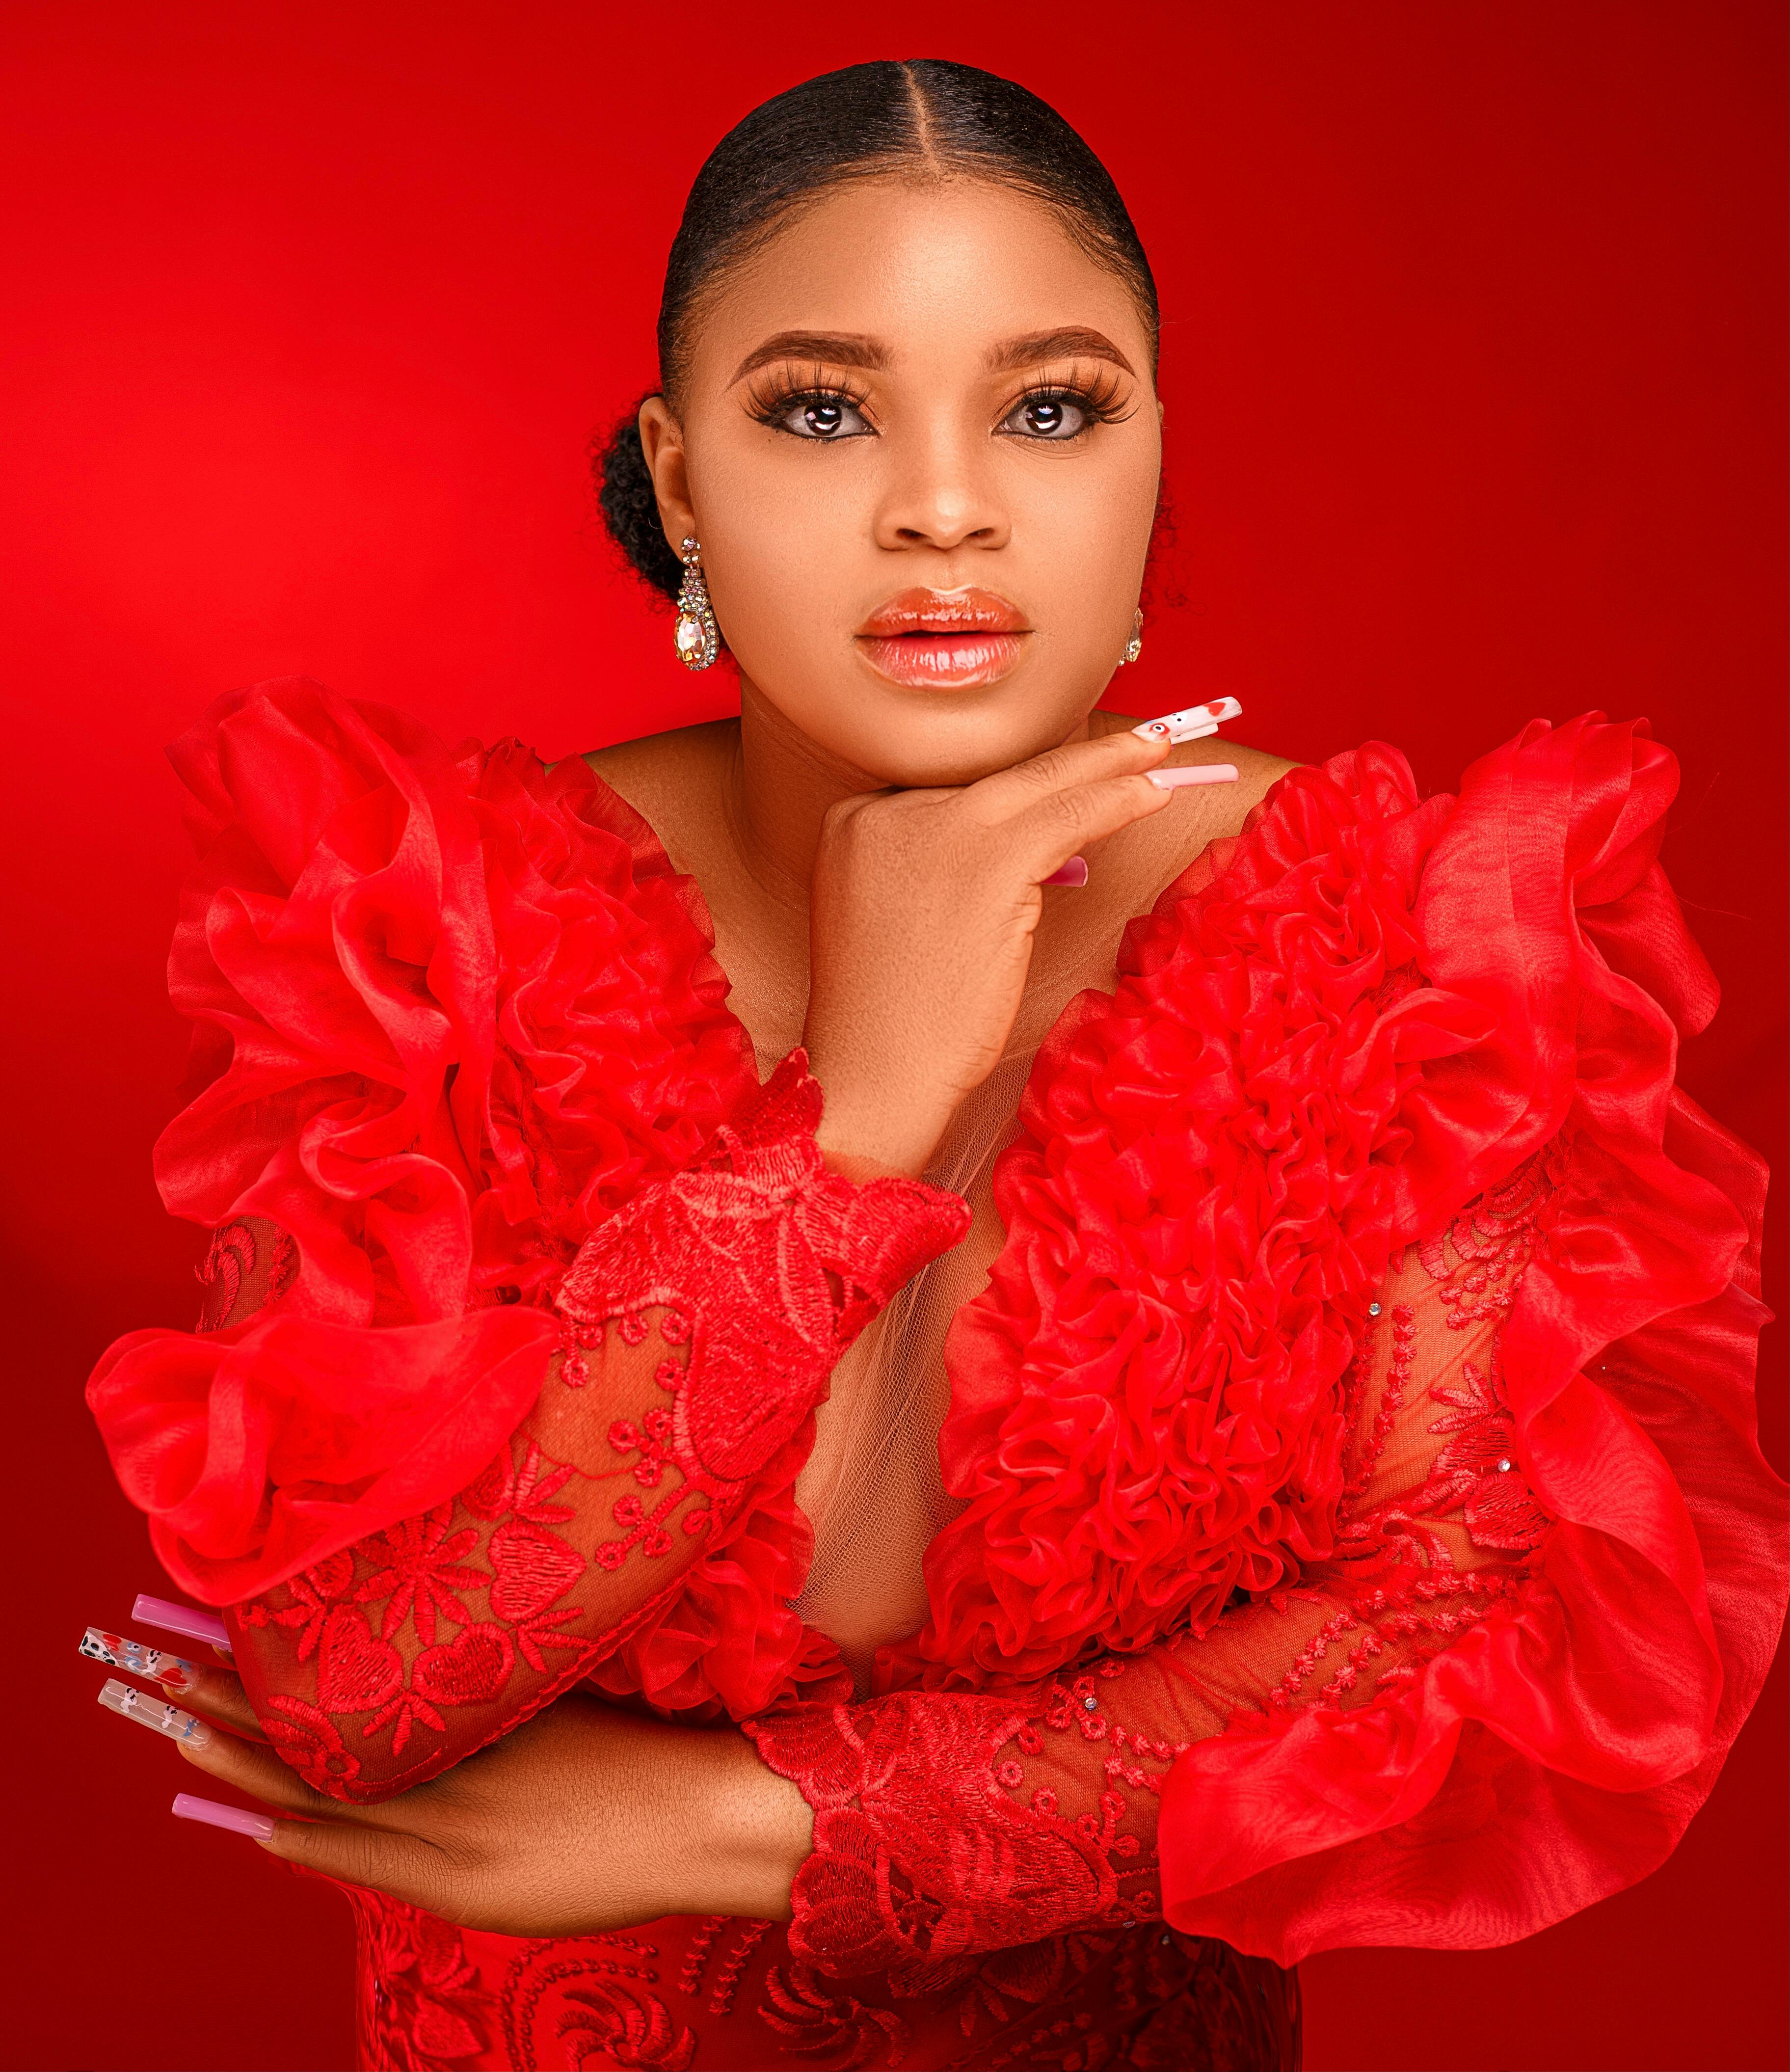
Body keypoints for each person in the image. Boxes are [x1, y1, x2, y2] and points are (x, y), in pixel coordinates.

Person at [82, 58, 1785, 2072]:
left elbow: (1472, 1639)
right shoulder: (421, 922)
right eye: (822, 409)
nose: (947, 503)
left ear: (1152, 457)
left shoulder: (1406, 942)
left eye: (1051, 406)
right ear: (683, 475)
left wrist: (748, 1823)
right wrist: (851, 1133)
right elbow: (357, 1695)